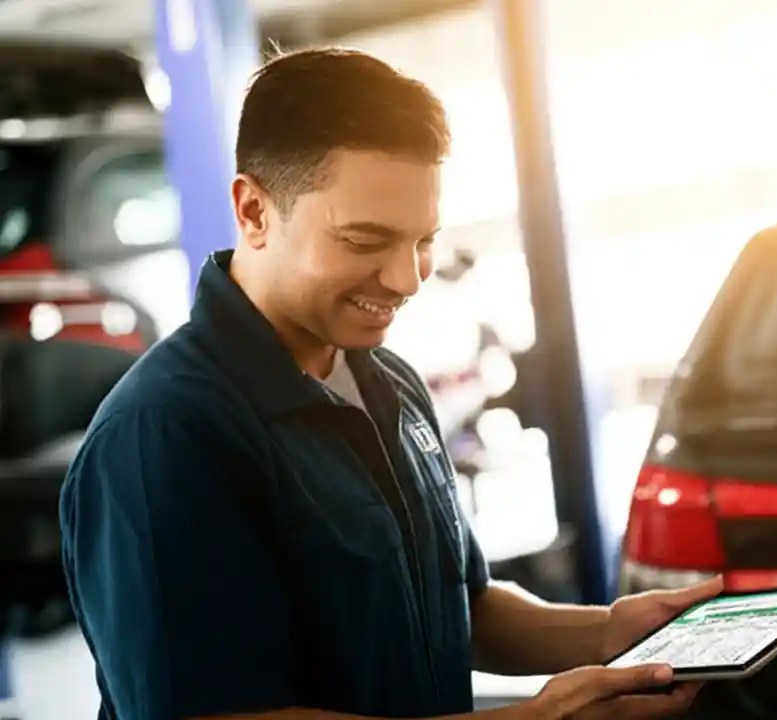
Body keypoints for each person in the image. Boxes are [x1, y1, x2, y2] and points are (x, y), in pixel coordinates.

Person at [59, 47, 717, 720]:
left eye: (422, 240)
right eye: (365, 240)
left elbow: (457, 606)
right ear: (254, 211)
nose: (407, 279)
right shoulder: (165, 435)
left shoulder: (390, 384)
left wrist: (613, 631)